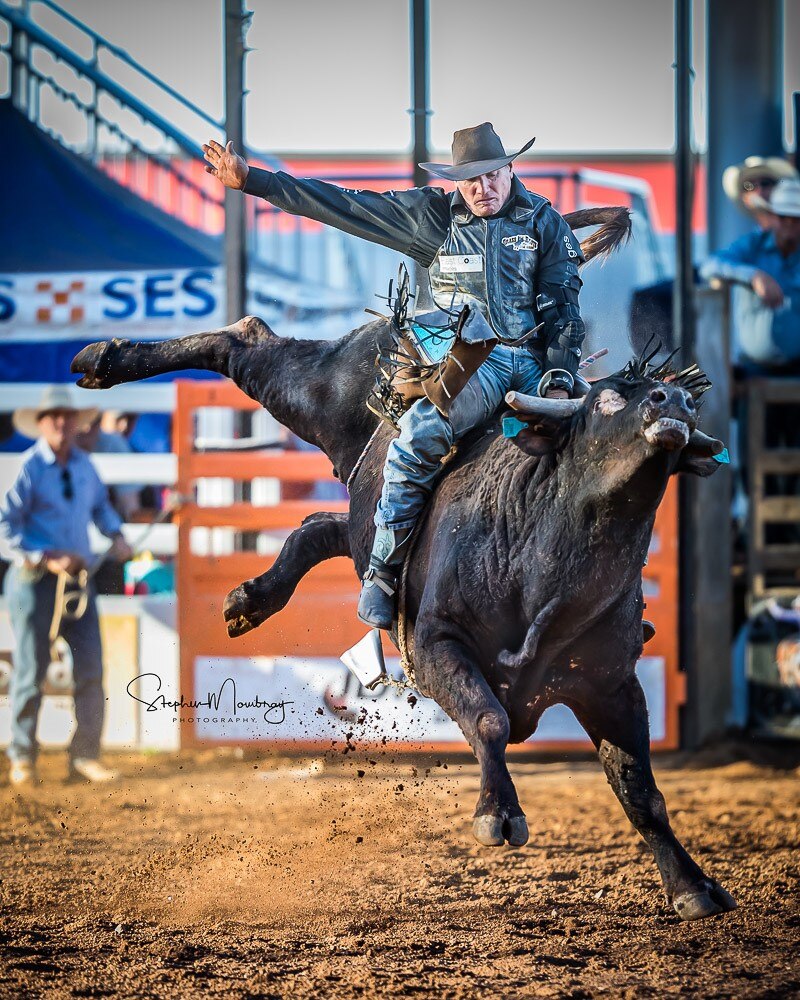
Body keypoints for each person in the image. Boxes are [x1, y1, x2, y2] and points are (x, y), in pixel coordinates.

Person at [203, 123, 586, 629]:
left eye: (492, 175)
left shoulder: (543, 221)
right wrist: (255, 181)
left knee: (601, 438)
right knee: (417, 435)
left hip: (538, 363)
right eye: (471, 181)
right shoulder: (431, 218)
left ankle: (607, 599)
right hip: (477, 362)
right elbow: (343, 205)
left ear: (510, 169)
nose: (483, 189)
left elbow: (563, 308)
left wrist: (559, 377)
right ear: (456, 183)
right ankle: (382, 574)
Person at [0, 386, 133, 787]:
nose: (61, 422)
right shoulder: (27, 468)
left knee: (90, 667)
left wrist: (116, 534)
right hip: (34, 580)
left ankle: (84, 756)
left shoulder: (84, 467)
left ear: (76, 423)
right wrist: (45, 556)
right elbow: (6, 527)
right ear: (42, 424)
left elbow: (101, 510)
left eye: (66, 415)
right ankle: (23, 756)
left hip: (75, 583)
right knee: (30, 669)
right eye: (53, 416)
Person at [700, 178, 800, 372]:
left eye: (796, 219)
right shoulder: (753, 245)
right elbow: (710, 265)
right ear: (772, 216)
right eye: (783, 217)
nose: (789, 224)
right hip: (754, 371)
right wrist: (754, 276)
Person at [722, 155, 799, 234]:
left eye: (765, 183)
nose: (759, 190)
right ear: (744, 197)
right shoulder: (747, 244)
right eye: (749, 186)